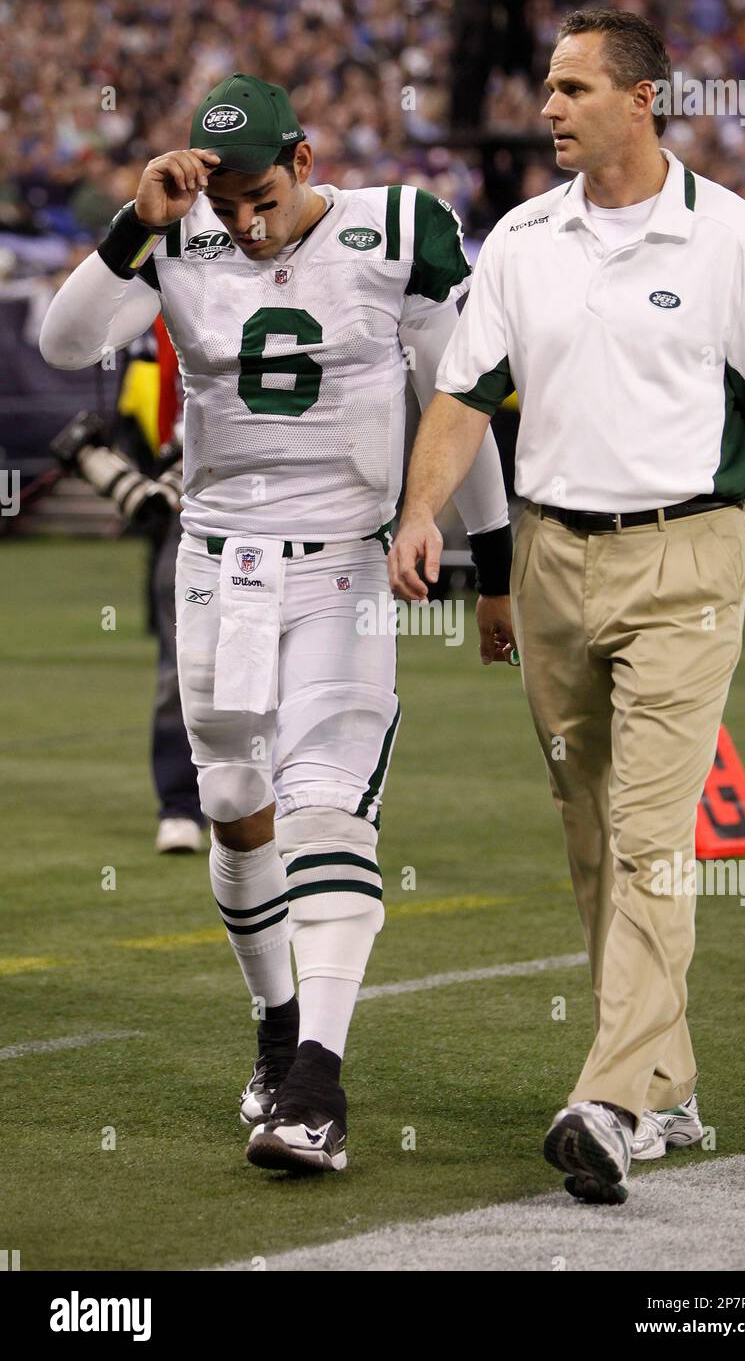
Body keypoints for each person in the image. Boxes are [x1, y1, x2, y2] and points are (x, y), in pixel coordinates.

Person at [39, 73, 512, 1174]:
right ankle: (272, 1020)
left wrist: (489, 561)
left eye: (259, 196)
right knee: (237, 807)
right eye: (226, 203)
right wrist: (135, 225)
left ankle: (317, 1079)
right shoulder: (181, 235)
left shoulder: (398, 228)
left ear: (303, 162)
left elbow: (461, 397)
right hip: (215, 566)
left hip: (344, 564)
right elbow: (68, 345)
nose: (243, 224)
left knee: (326, 807)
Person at [389, 9, 745, 1204]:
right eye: (547, 85)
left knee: (648, 835)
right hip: (550, 563)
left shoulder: (733, 239)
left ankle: (608, 1099)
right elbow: (463, 393)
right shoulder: (523, 240)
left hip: (685, 562)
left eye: (572, 87)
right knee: (591, 837)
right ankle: (667, 1085)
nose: (548, 106)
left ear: (642, 100)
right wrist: (425, 512)